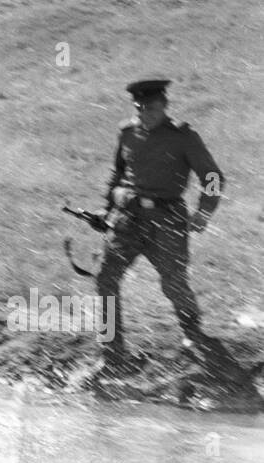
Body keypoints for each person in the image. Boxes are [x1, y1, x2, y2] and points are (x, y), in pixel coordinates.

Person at [93, 78, 238, 382]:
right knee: (106, 279)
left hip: (167, 221)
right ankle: (113, 353)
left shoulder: (183, 137)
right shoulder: (127, 133)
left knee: (173, 283)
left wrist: (203, 212)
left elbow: (212, 177)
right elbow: (117, 174)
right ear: (136, 107)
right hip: (127, 220)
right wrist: (106, 211)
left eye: (156, 107)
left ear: (166, 106)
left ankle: (193, 335)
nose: (150, 113)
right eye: (144, 108)